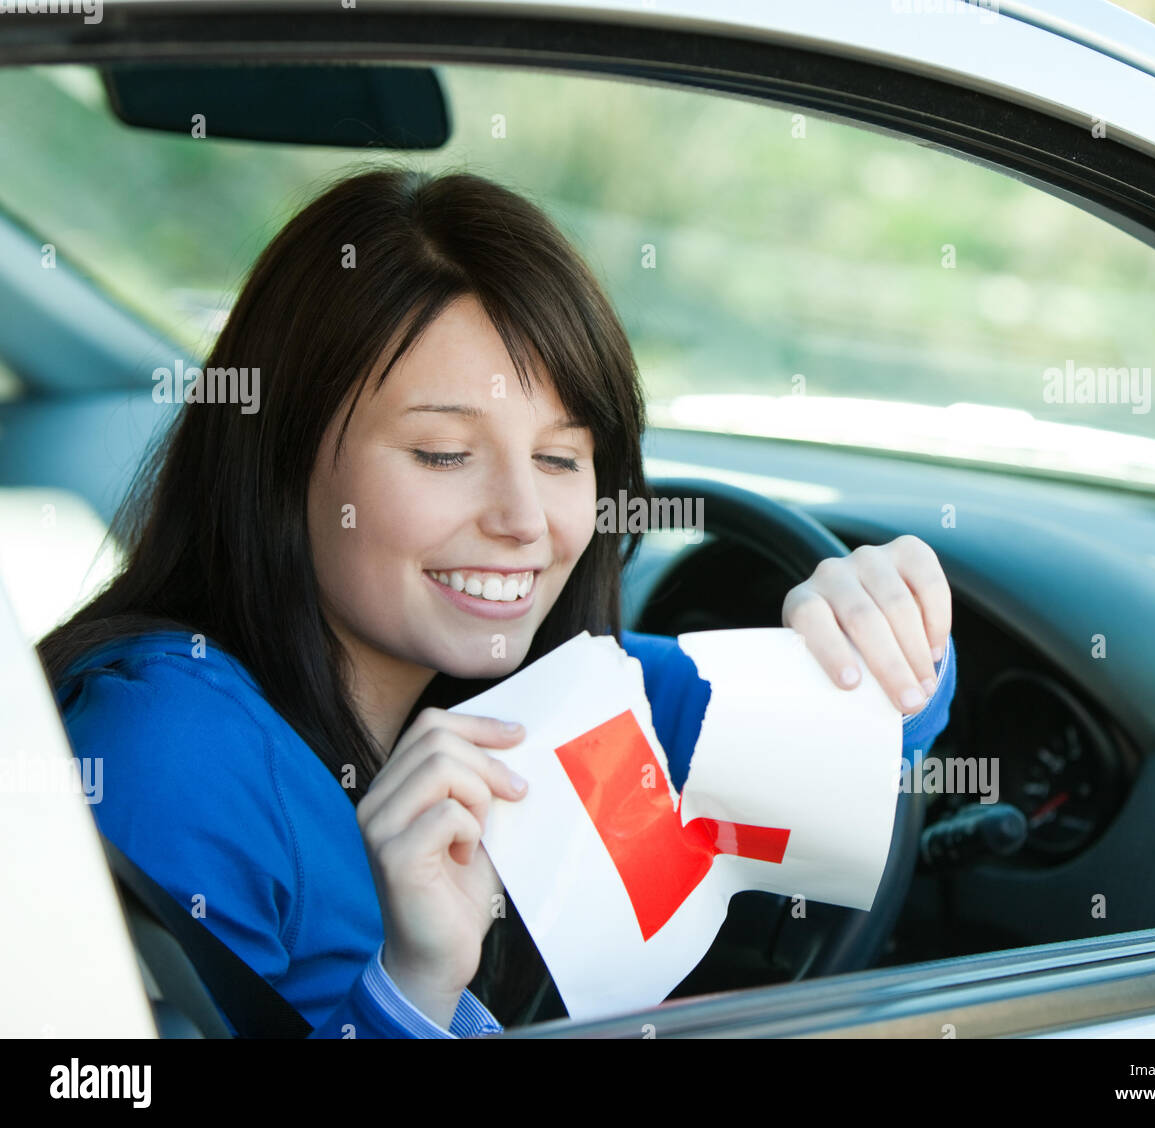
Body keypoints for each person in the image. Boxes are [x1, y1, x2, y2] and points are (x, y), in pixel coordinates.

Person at [38, 167, 957, 1037]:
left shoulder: (542, 698)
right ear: (278, 458)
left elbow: (858, 732)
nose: (525, 520)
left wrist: (887, 620)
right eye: (444, 455)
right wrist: (408, 989)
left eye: (561, 459)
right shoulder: (169, 753)